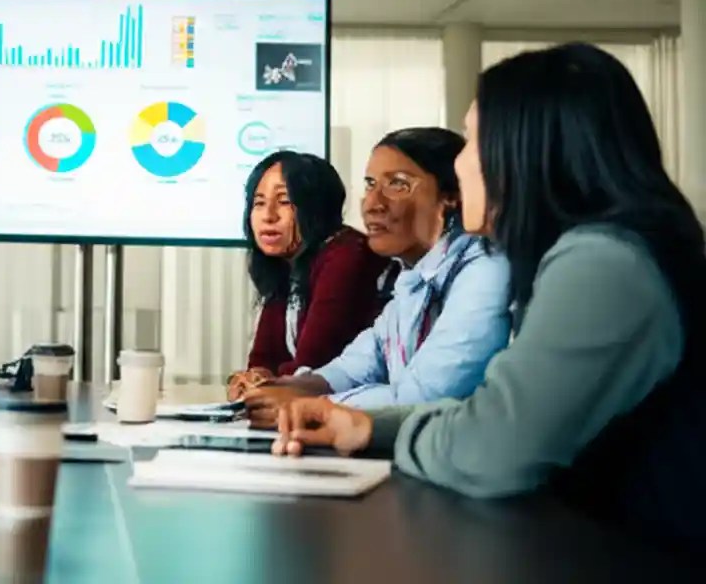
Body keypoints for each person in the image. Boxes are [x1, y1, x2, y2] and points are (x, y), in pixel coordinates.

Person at [271, 43, 705, 544]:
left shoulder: (603, 264)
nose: (459, 163)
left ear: (526, 149)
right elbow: (495, 412)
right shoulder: (594, 254)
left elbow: (494, 446)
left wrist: (384, 429)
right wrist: (367, 429)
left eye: (473, 141)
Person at [245, 128, 511, 423]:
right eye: (370, 185)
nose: (372, 204)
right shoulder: (413, 276)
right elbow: (354, 366)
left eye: (397, 184)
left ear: (450, 196)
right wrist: (284, 388)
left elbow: (421, 397)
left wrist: (312, 403)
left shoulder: (486, 268)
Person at [226, 151, 388, 401]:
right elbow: (264, 358)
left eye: (284, 201)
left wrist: (265, 383)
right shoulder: (286, 263)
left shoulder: (346, 255)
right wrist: (251, 378)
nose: (268, 215)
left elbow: (315, 361)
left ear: (316, 206)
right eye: (258, 203)